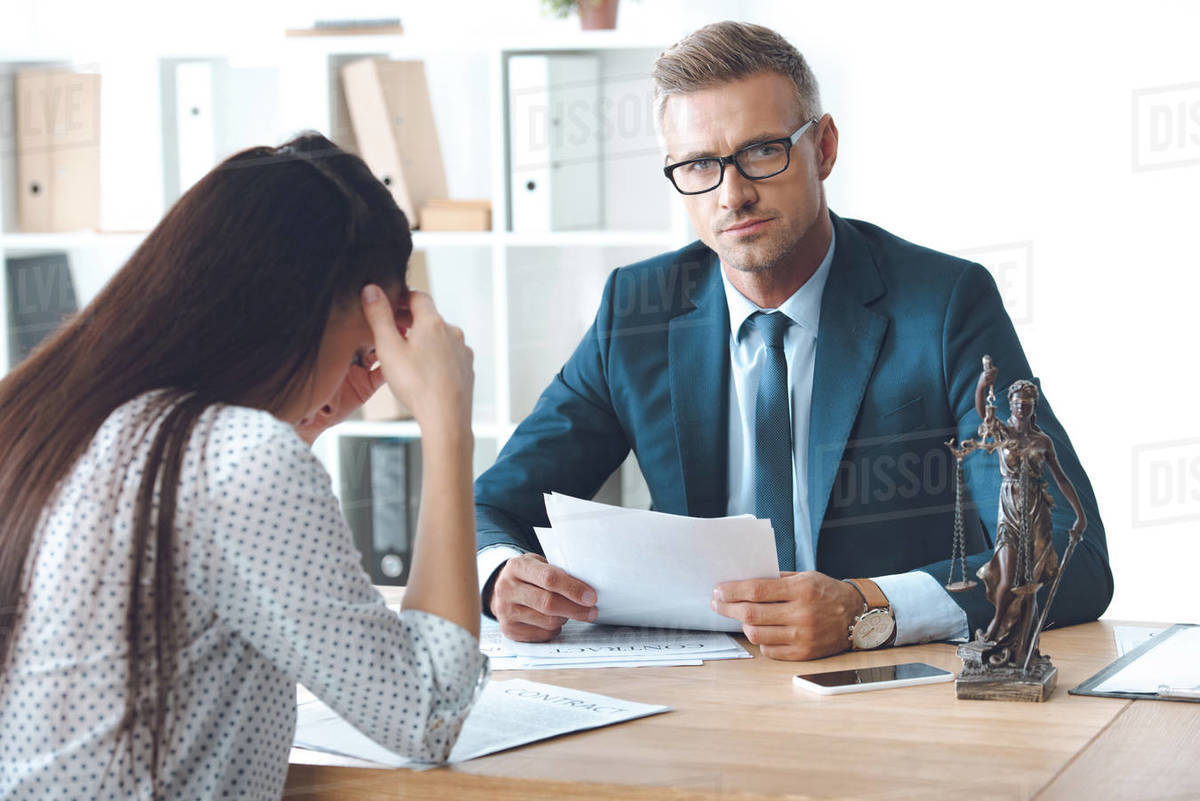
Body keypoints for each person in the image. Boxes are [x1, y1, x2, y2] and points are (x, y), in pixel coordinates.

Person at [475, 21, 1112, 660]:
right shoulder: (637, 312)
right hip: (697, 696)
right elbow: (491, 509)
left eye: (761, 151)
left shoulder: (944, 303)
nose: (733, 195)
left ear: (824, 147)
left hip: (891, 693)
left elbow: (1070, 550)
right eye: (699, 165)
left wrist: (870, 608)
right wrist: (503, 575)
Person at [0, 134, 486, 800]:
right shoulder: (235, 458)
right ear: (311, 316)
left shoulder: (52, 414)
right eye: (360, 348)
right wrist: (446, 419)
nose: (360, 369)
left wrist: (301, 421)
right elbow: (427, 713)